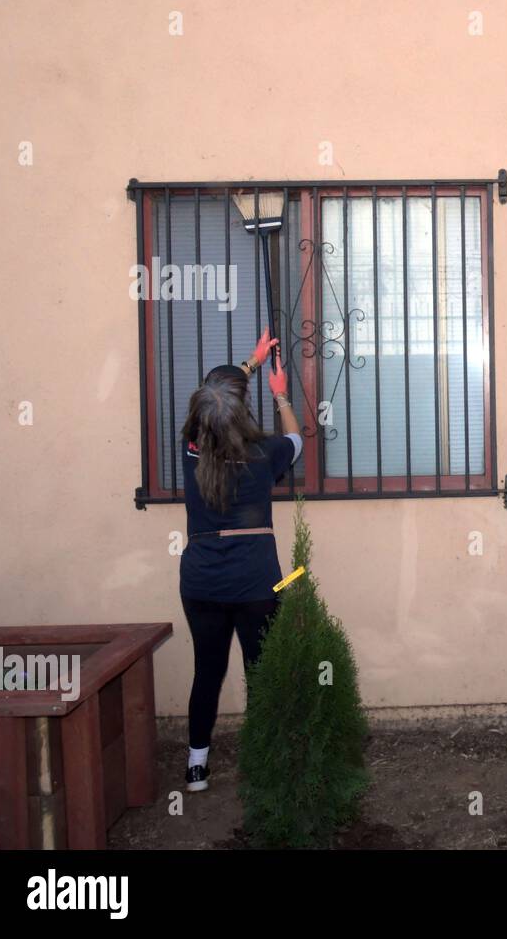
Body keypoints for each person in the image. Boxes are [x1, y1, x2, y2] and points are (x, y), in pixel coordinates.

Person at [178, 329, 301, 792]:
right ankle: (266, 762)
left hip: (202, 583)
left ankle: (196, 766)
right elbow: (296, 437)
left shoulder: (191, 452)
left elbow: (214, 399)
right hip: (256, 583)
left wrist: (248, 365)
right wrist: (280, 392)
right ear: (242, 411)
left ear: (200, 417)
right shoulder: (266, 453)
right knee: (260, 672)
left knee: (207, 671)